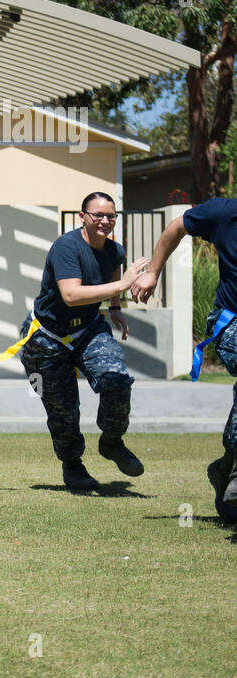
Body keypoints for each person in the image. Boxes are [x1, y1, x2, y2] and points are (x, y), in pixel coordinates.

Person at [0, 191, 149, 492]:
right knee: (62, 410)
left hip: (89, 330)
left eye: (110, 216)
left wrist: (115, 307)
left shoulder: (115, 251)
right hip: (46, 336)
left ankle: (112, 442)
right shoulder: (66, 247)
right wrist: (124, 284)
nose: (104, 221)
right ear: (82, 217)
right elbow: (71, 295)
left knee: (116, 381)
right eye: (97, 215)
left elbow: (113, 268)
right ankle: (73, 465)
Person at [129, 199, 237, 522]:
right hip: (231, 321)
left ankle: (227, 465)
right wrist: (152, 273)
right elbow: (177, 226)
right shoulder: (224, 213)